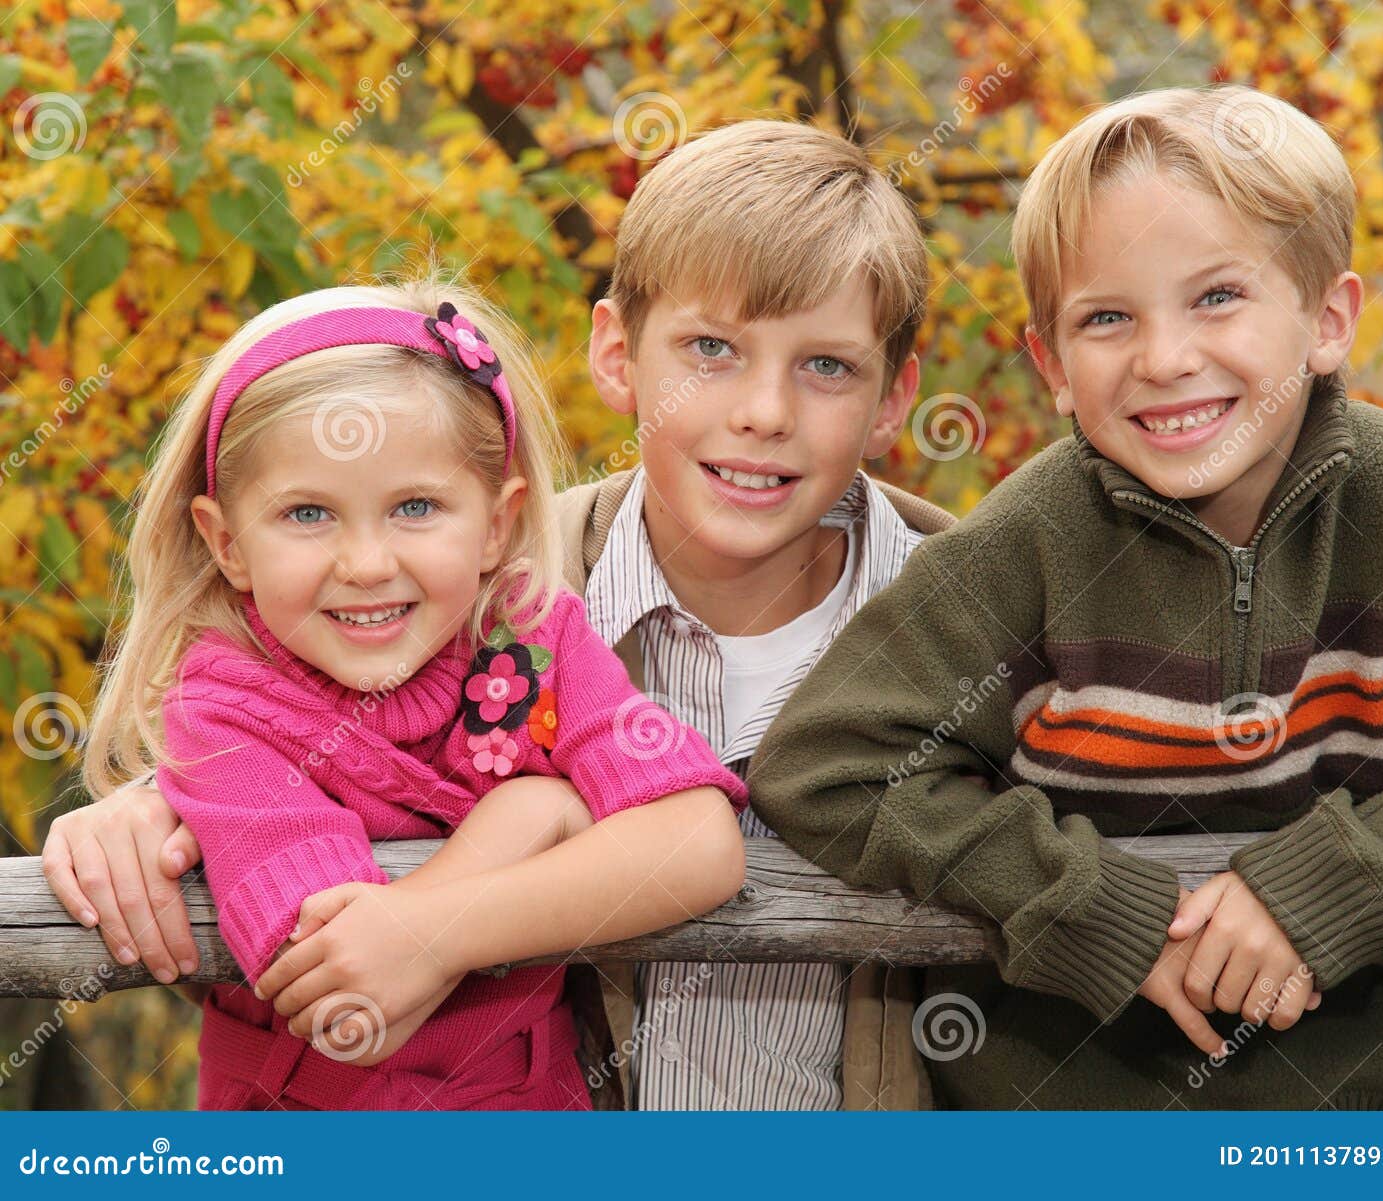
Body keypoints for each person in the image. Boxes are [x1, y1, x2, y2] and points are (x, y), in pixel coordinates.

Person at [48, 120, 952, 1110]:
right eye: (710, 350)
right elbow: (276, 741)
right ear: (616, 355)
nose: (765, 411)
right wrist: (159, 802)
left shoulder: (975, 621)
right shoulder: (491, 588)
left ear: (891, 397)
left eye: (825, 366)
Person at [747, 85, 1383, 1108]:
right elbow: (828, 764)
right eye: (1106, 317)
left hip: (1360, 1112)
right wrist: (1091, 906)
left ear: (1327, 319)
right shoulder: (1036, 535)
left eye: (1216, 298)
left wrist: (1327, 888)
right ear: (1051, 363)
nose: (1163, 359)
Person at [72, 271, 747, 1109]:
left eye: (416, 506)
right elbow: (346, 999)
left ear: (497, 524)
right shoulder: (223, 709)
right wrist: (535, 816)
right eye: (308, 515)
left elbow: (703, 841)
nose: (366, 564)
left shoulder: (532, 639)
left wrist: (434, 929)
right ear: (227, 542)